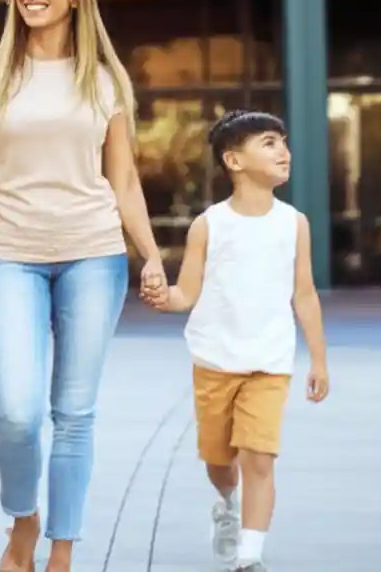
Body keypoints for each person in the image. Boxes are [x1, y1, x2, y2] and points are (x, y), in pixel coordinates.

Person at [0, 0, 169, 572]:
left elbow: (125, 180)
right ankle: (22, 519)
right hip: (11, 254)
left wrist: (151, 255)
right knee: (19, 412)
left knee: (75, 413)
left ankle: (61, 552)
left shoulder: (104, 79)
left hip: (93, 254)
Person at [141, 110, 330, 572]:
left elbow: (303, 295)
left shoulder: (294, 224)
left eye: (283, 141)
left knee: (259, 458)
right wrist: (164, 298)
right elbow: (188, 292)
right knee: (220, 462)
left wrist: (319, 361)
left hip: (269, 361)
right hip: (215, 361)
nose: (283, 150)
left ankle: (249, 557)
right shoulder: (209, 225)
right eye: (268, 142)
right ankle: (226, 503)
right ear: (234, 160)